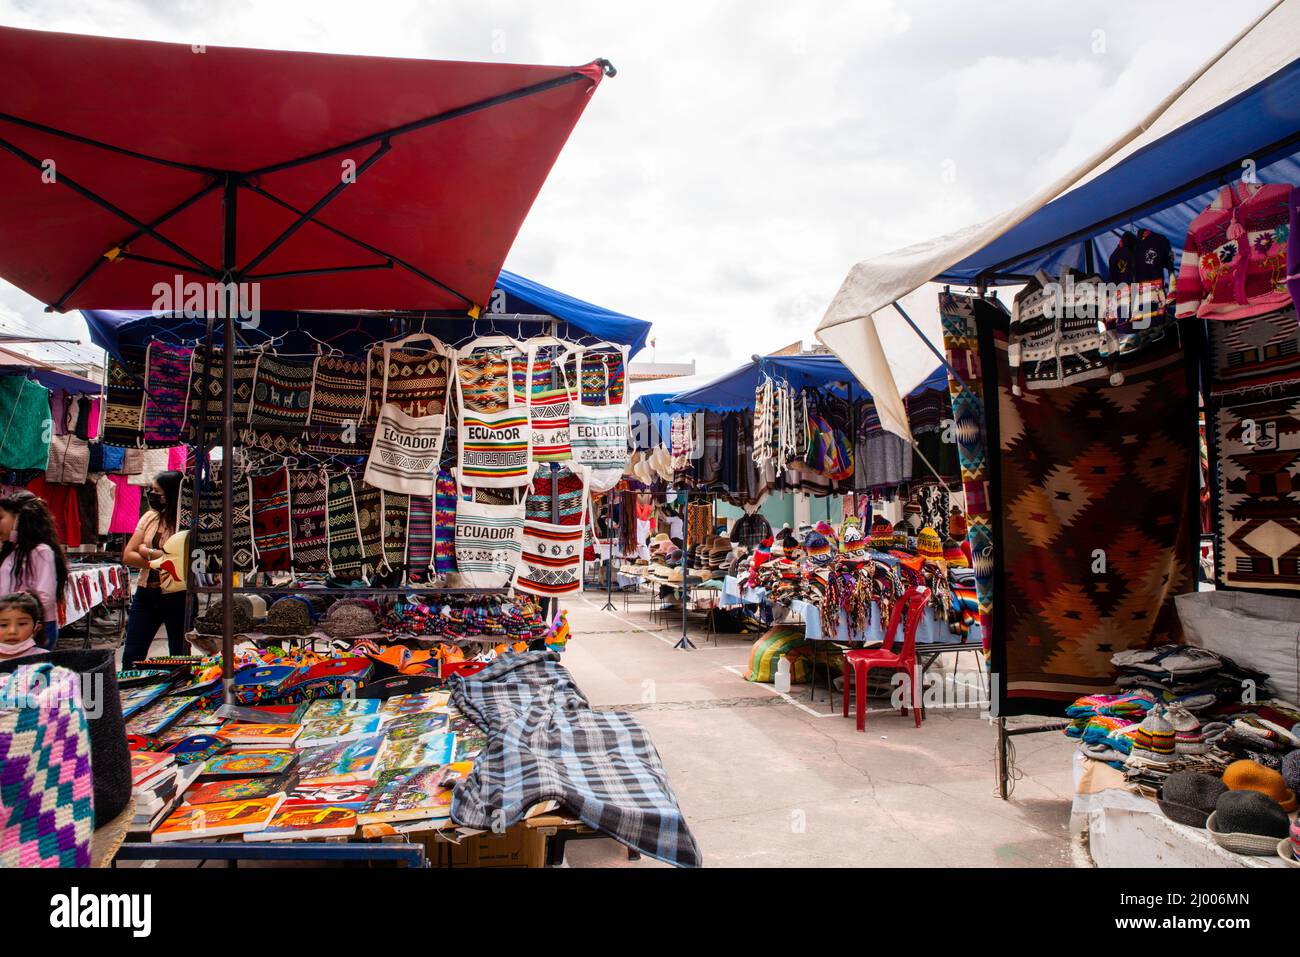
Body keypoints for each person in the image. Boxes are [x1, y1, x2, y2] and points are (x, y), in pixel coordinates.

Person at [121, 470, 186, 669]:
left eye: (157, 491)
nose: (152, 495)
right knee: (132, 656)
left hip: (178, 597)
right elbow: (128, 555)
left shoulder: (184, 521)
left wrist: (145, 551)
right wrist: (157, 557)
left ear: (172, 493)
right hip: (146, 593)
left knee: (179, 658)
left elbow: (180, 561)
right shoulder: (150, 517)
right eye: (152, 490)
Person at [0, 490, 71, 649]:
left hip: (34, 628)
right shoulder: (11, 551)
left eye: (1, 518)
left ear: (18, 518)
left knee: (29, 672)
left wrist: (18, 615)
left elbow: (45, 595)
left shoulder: (41, 551)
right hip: (12, 625)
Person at [0, 590, 45, 662]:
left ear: (36, 628)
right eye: (3, 625)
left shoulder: (44, 659)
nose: (12, 631)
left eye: (22, 624)